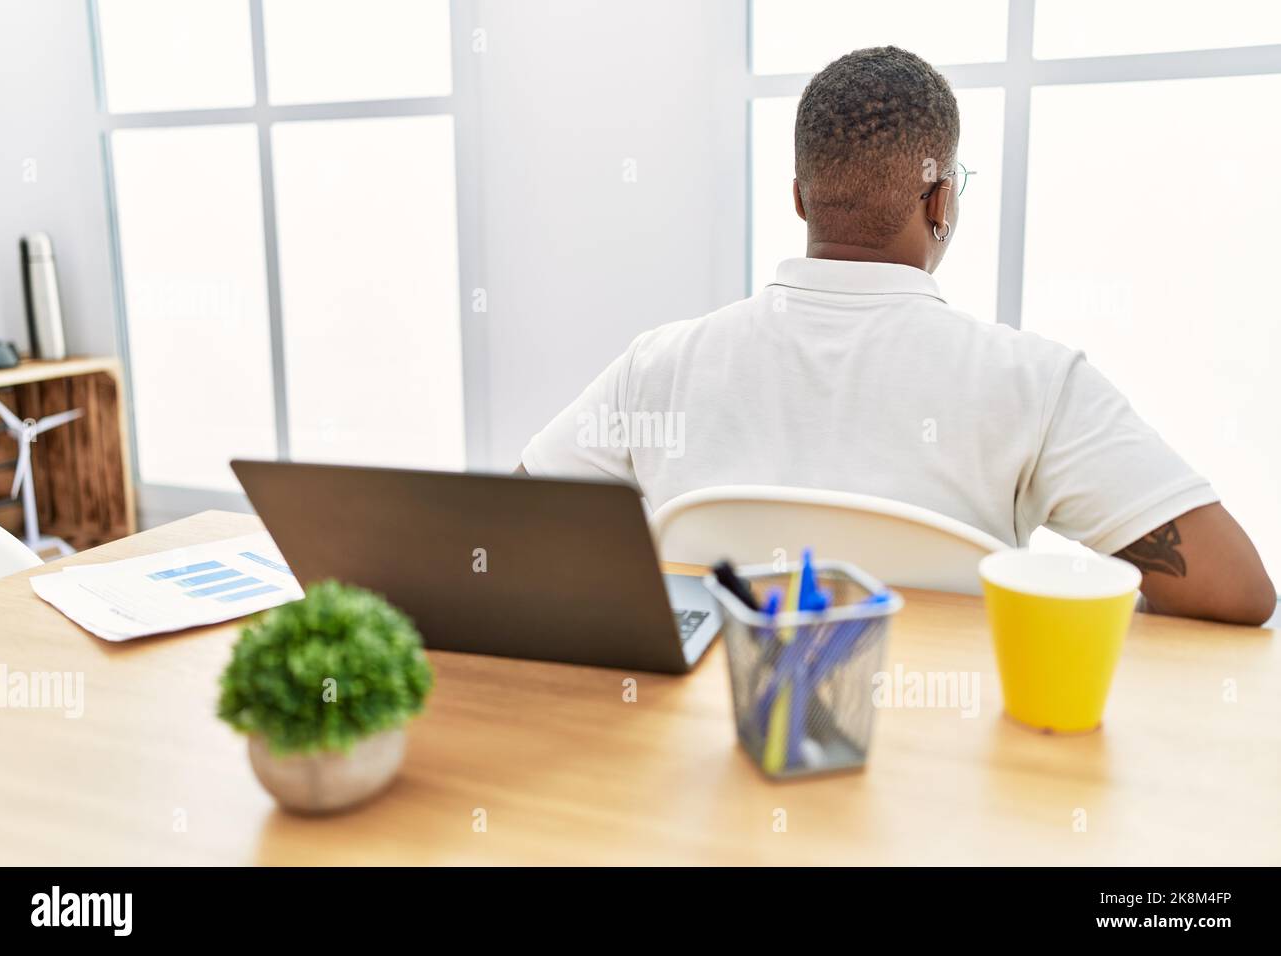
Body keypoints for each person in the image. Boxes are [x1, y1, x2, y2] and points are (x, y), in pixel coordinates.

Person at [517, 46, 1275, 625]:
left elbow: (501, 537)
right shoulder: (1034, 383)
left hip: (722, 763)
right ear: (941, 201)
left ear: (798, 198)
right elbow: (1236, 592)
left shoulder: (660, 367)